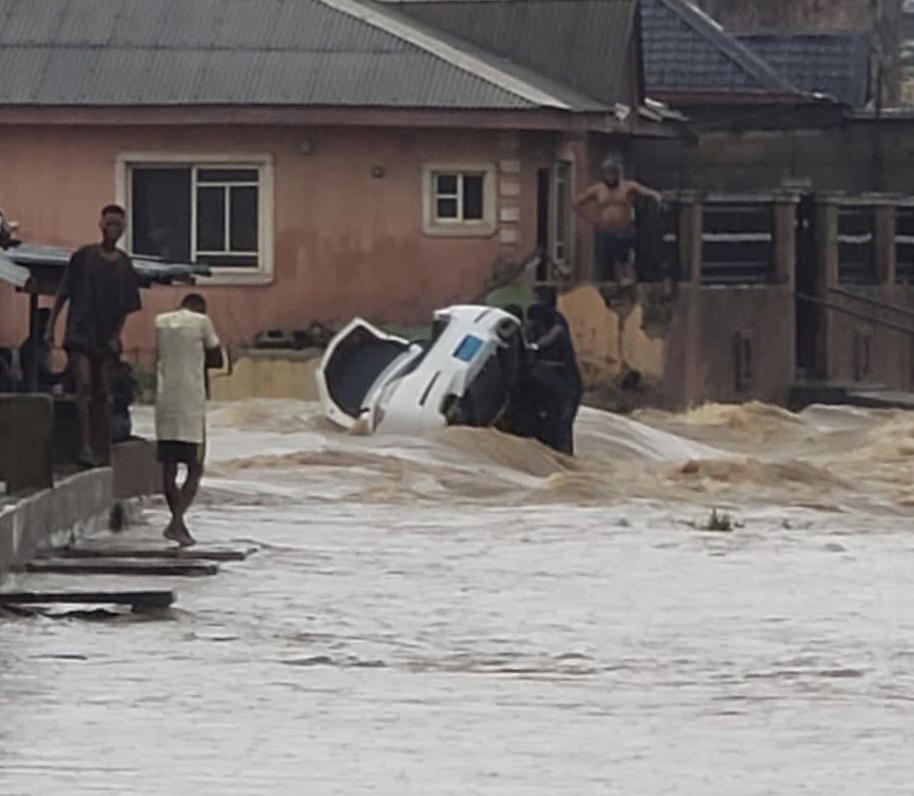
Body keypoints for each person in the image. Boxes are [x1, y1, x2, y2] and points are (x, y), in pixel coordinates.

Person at [46, 205, 142, 467]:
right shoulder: (84, 257)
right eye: (109, 223)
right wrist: (51, 327)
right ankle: (85, 446)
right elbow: (63, 293)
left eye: (118, 225)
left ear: (123, 230)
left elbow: (126, 306)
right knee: (84, 385)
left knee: (104, 390)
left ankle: (100, 444)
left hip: (105, 337)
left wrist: (116, 335)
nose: (113, 229)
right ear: (101, 225)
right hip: (79, 332)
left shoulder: (124, 264)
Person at [155, 293, 222, 547]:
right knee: (195, 467)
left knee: (168, 467)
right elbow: (216, 358)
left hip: (165, 400)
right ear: (200, 309)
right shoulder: (202, 322)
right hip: (191, 402)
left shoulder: (160, 322)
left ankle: (177, 524)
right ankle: (177, 522)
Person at [574, 159, 662, 283]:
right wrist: (592, 218)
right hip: (605, 230)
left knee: (624, 259)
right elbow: (576, 203)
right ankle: (606, 283)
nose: (611, 177)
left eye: (614, 173)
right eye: (609, 174)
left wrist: (655, 195)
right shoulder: (597, 189)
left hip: (624, 230)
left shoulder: (628, 187)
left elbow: (645, 191)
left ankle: (626, 279)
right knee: (605, 261)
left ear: (619, 174)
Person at [529, 286, 583, 455]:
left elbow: (554, 335)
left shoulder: (555, 323)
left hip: (568, 386)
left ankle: (567, 467)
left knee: (562, 430)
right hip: (556, 388)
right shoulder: (538, 324)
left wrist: (535, 347)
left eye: (538, 298)